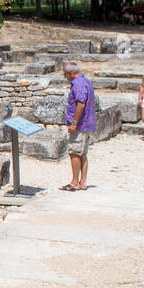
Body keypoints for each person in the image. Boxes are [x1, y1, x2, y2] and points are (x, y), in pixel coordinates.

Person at [62, 61, 96, 191]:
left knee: (74, 152)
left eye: (65, 74)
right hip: (87, 124)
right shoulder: (85, 81)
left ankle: (75, 182)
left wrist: (74, 123)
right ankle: (82, 182)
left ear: (71, 73)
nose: (65, 77)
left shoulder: (78, 84)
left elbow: (81, 104)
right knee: (82, 153)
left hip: (80, 124)